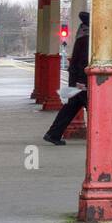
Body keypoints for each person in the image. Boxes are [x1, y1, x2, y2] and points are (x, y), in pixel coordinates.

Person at [43, 11, 88, 146]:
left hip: (77, 79)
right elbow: (83, 62)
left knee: (70, 108)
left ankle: (53, 134)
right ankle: (106, 135)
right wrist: (81, 82)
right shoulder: (87, 39)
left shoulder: (82, 36)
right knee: (95, 108)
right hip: (82, 81)